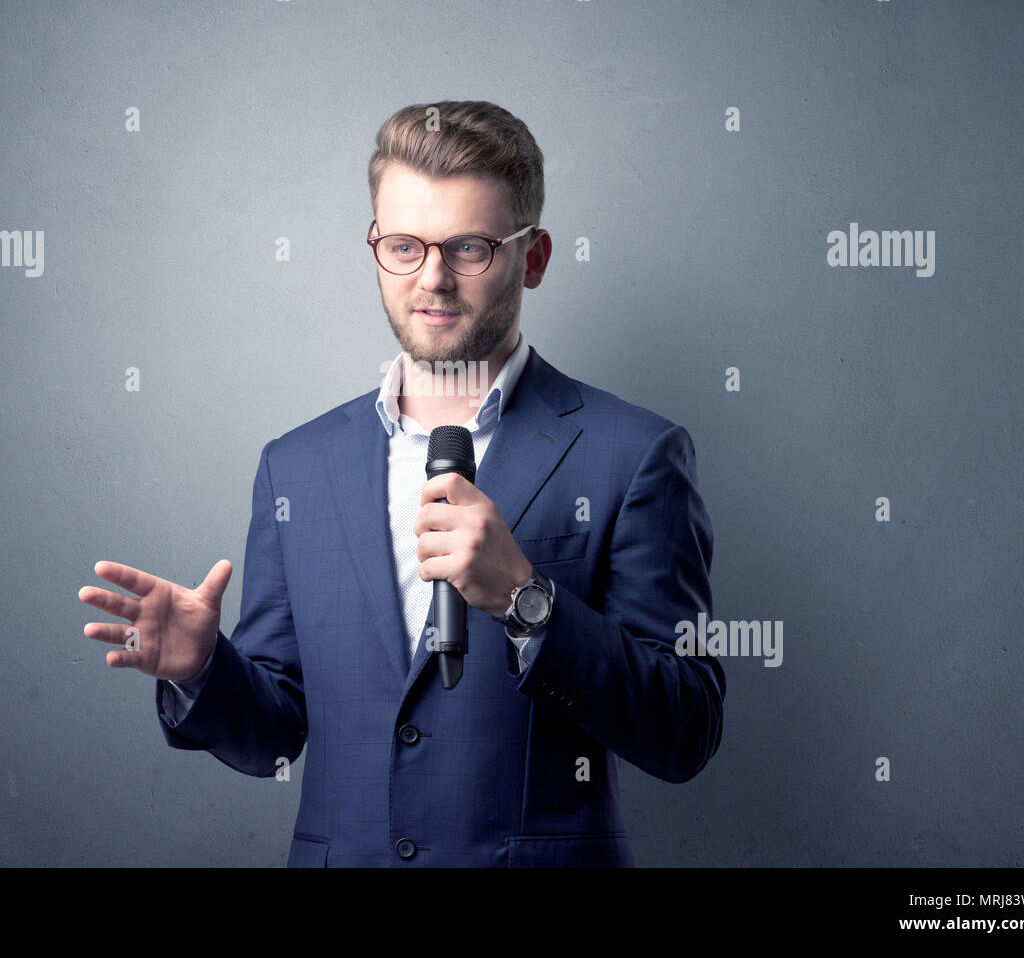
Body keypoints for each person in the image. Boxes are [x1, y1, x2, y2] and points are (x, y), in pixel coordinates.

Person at [80, 100, 725, 867]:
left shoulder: (636, 453)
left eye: (471, 247)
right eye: (405, 245)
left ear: (536, 256)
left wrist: (527, 599)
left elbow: (685, 728)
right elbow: (276, 731)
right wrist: (203, 668)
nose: (434, 278)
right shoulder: (298, 466)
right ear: (375, 246)